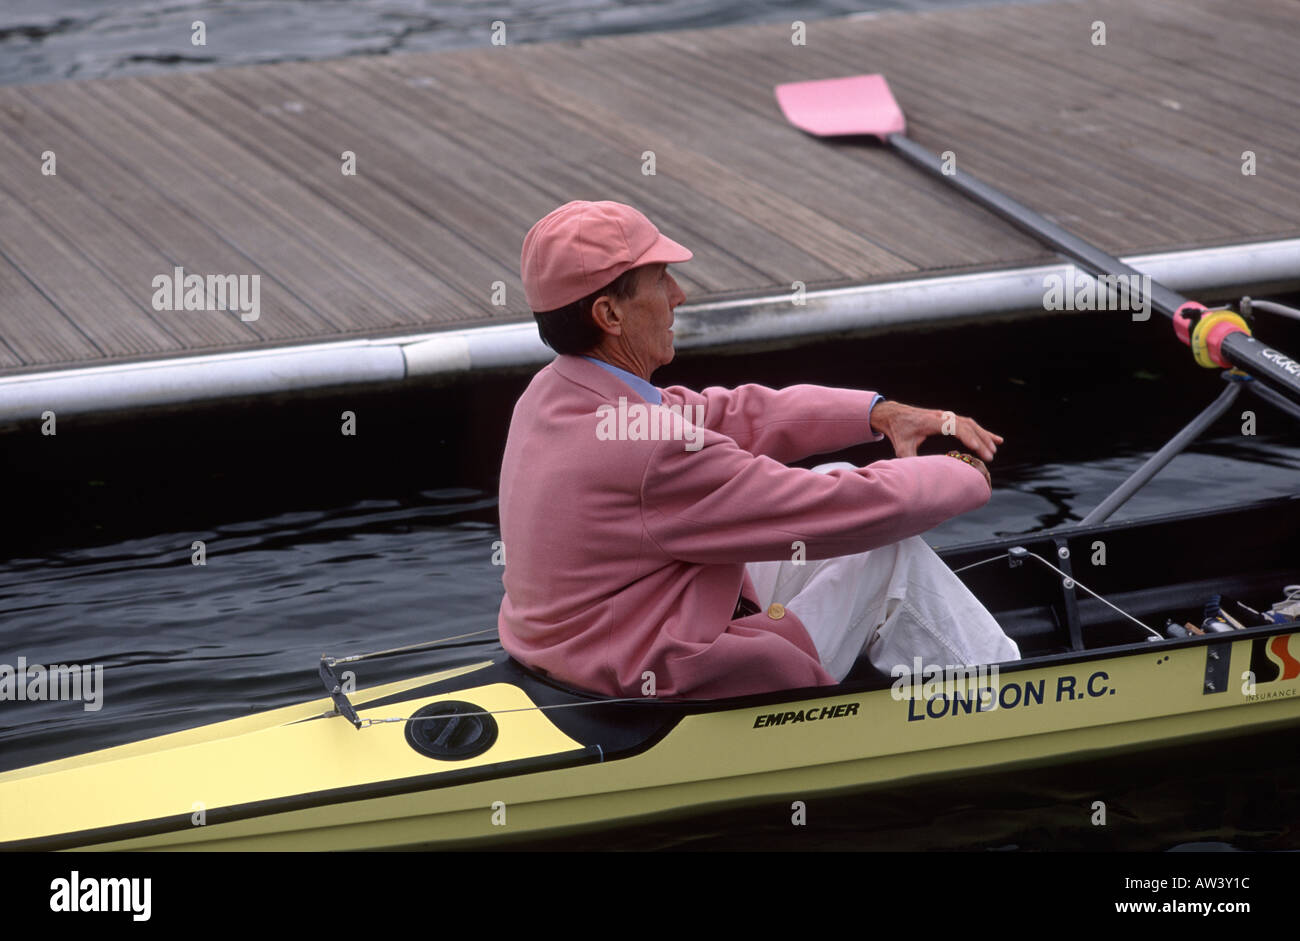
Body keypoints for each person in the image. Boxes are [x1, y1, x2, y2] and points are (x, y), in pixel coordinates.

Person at [497, 199, 1019, 699]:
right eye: (661, 281)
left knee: (839, 478)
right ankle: (1011, 697)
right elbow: (829, 510)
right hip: (658, 673)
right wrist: (964, 473)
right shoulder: (651, 449)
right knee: (884, 549)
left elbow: (731, 414)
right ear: (610, 315)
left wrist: (877, 414)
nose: (678, 295)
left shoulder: (554, 392)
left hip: (582, 646)